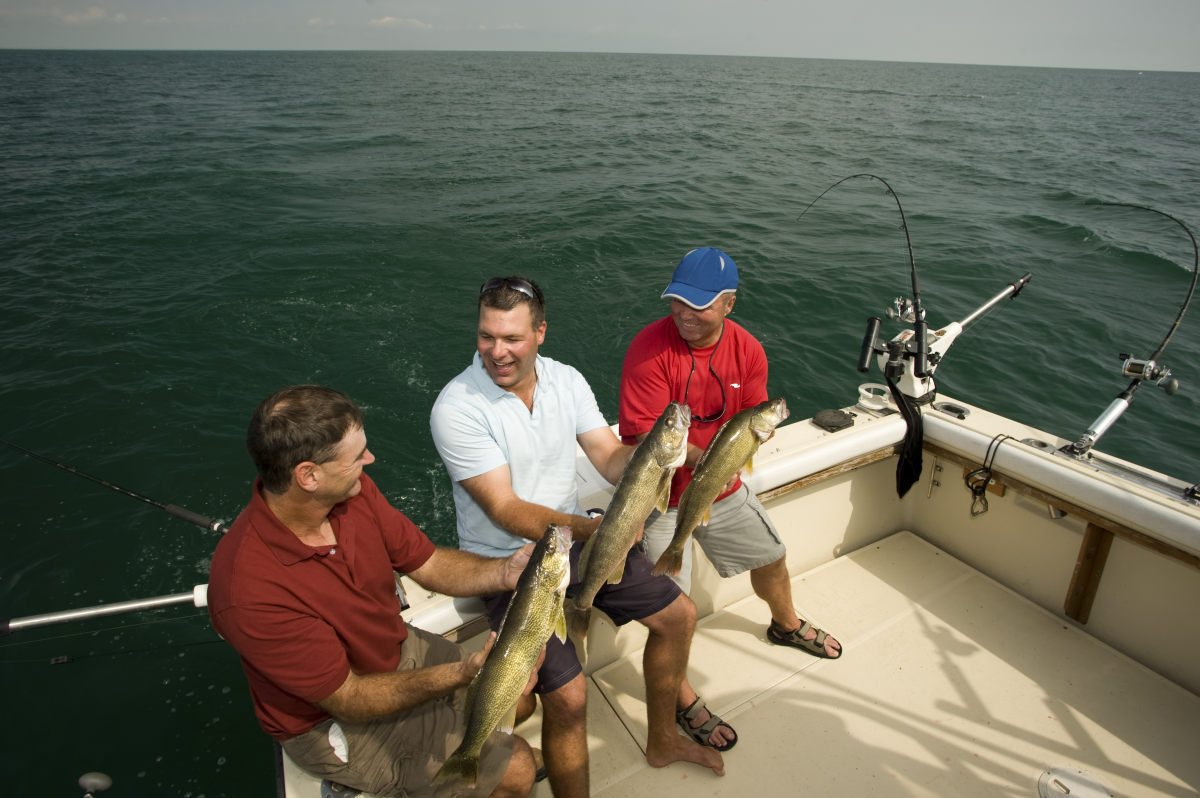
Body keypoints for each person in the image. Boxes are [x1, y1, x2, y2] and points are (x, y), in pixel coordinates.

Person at [430, 277, 730, 798]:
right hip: (511, 564)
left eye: (512, 339)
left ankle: (662, 738)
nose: (497, 352)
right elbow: (505, 509)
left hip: (576, 537)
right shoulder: (456, 408)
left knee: (679, 617)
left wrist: (661, 460)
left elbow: (610, 457)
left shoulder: (565, 380)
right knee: (568, 697)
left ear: (540, 332)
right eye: (486, 337)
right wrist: (603, 528)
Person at [208, 384, 541, 798]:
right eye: (357, 456)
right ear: (309, 476)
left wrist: (505, 572)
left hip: (395, 650)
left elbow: (429, 562)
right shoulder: (248, 592)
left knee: (521, 703)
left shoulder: (354, 492)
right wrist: (465, 671)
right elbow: (348, 698)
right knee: (519, 770)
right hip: (332, 717)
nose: (370, 460)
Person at [619, 247, 842, 662]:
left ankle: (786, 624)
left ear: (729, 304)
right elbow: (650, 437)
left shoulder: (749, 350)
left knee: (772, 557)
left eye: (700, 306)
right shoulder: (648, 349)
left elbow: (750, 426)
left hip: (721, 487)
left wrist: (736, 456)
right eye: (678, 300)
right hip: (660, 498)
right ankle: (679, 693)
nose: (684, 313)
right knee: (671, 609)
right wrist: (708, 458)